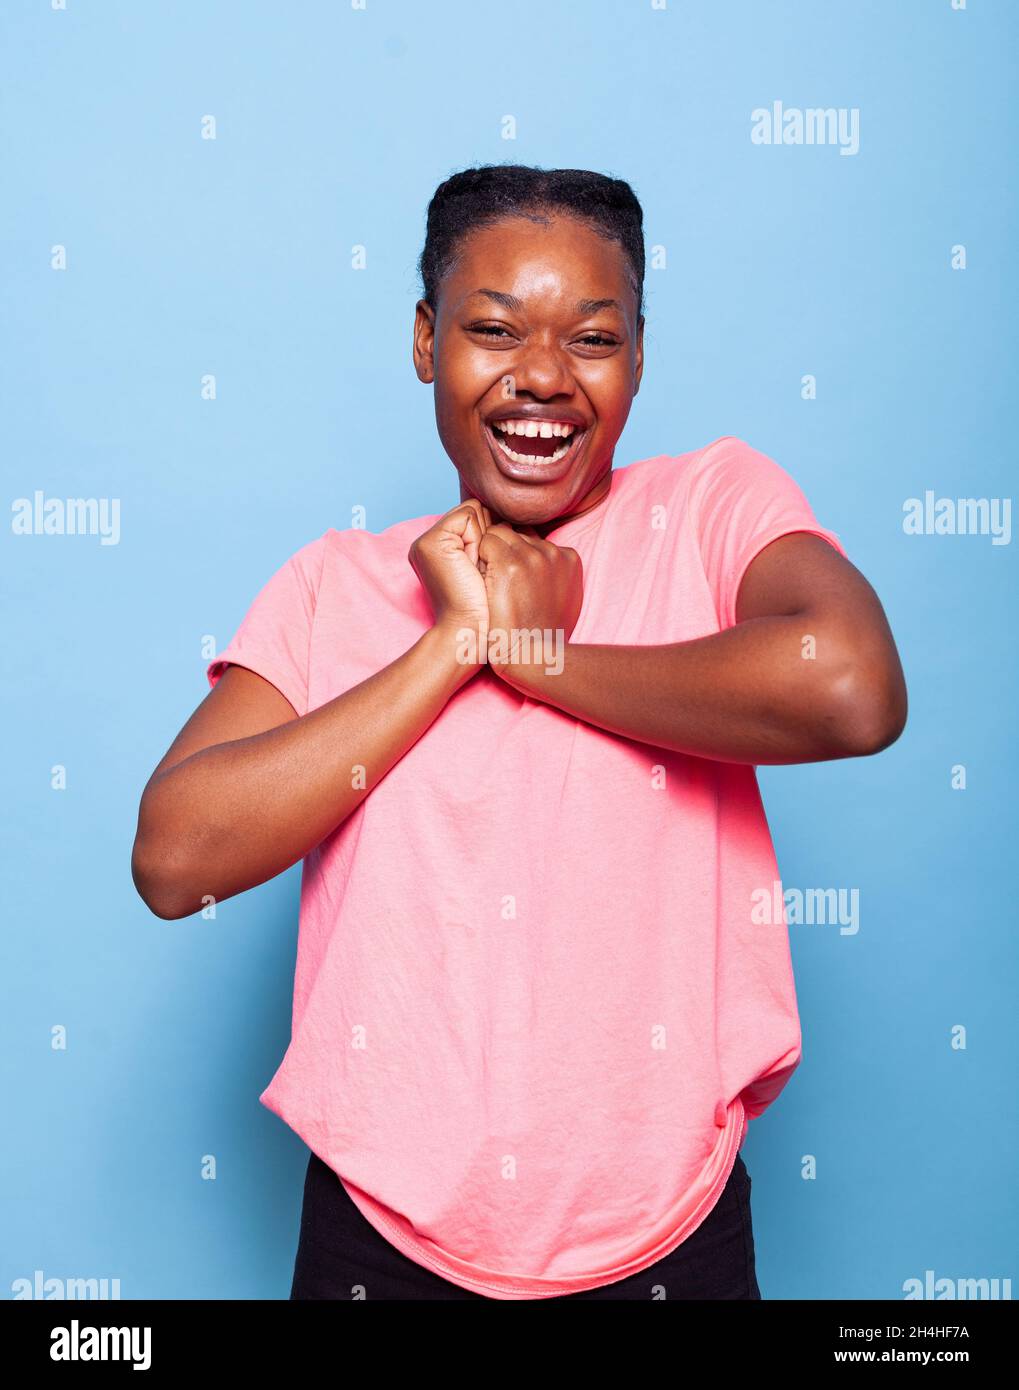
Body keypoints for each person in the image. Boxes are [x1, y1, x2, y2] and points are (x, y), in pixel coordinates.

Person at [131, 164, 908, 1301]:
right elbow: (173, 858)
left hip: (667, 1240)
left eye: (592, 339)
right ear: (422, 340)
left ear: (639, 354)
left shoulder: (708, 509)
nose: (541, 377)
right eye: (492, 330)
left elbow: (850, 688)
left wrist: (540, 659)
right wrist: (454, 644)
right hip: (380, 1241)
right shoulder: (333, 585)